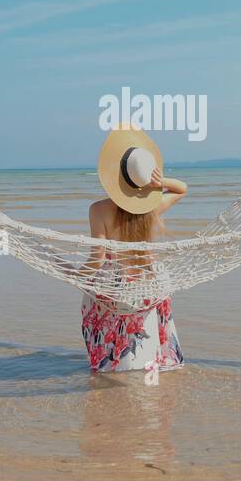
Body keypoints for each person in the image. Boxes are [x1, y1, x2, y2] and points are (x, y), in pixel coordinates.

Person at [81, 125, 187, 373]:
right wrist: (157, 185)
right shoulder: (151, 208)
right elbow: (182, 188)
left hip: (115, 288)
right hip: (150, 283)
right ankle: (145, 364)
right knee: (143, 326)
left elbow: (97, 260)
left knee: (96, 305)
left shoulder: (98, 209)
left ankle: (114, 365)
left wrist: (76, 276)